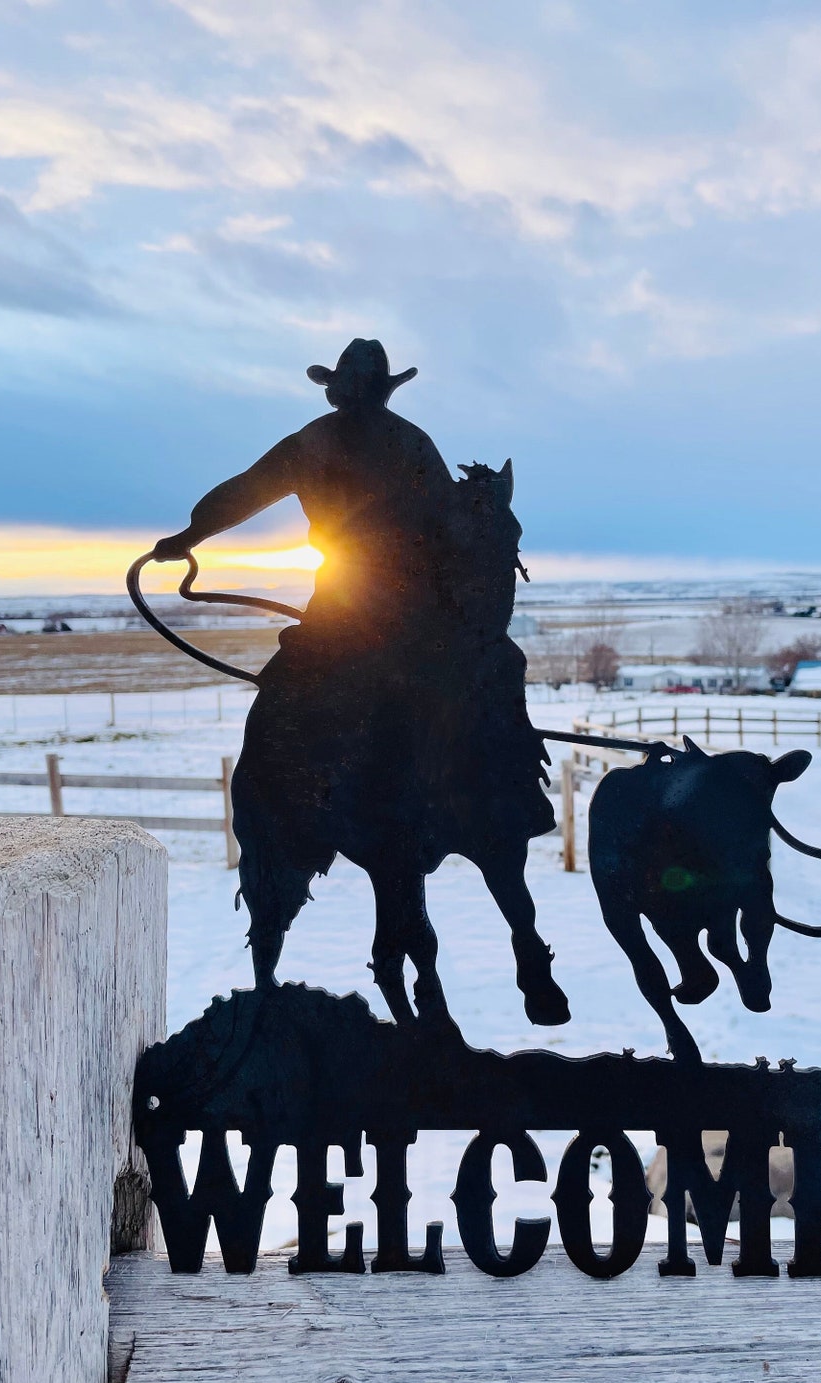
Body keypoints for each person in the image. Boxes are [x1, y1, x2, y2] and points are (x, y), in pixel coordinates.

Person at [153, 339, 570, 1030]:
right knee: (498, 666)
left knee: (283, 707)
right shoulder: (410, 441)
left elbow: (242, 492)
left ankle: (289, 807)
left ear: (340, 390)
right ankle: (510, 795)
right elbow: (449, 520)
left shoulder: (315, 442)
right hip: (414, 615)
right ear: (382, 390)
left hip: (348, 612)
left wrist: (188, 537)